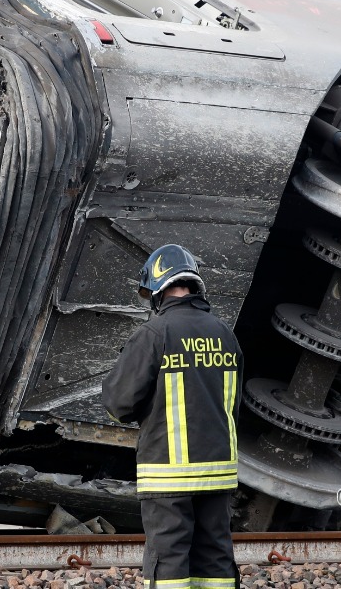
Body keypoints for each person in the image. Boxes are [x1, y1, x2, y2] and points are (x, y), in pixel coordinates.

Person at [103, 244, 244, 589]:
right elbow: (232, 403)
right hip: (218, 470)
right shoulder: (225, 334)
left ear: (157, 291)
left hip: (169, 474)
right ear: (194, 285)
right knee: (215, 559)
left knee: (169, 561)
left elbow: (118, 403)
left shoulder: (155, 333)